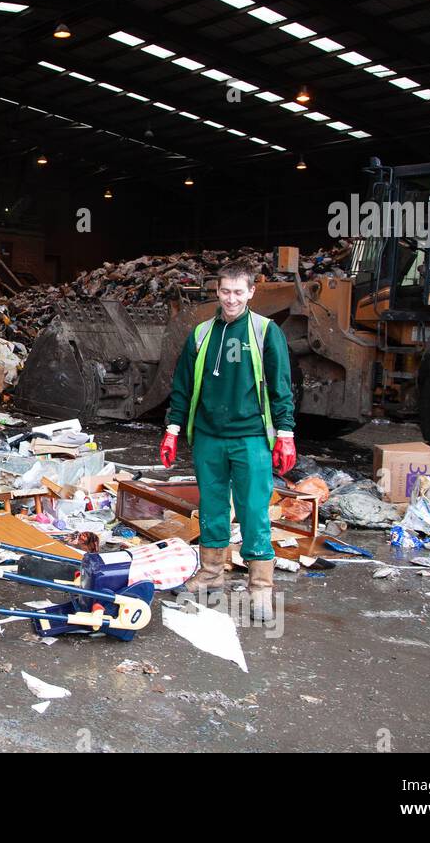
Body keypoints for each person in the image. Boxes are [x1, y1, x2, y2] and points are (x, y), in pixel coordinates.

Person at [159, 262, 297, 621]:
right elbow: (183, 387)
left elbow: (281, 386)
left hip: (251, 437)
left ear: (251, 292)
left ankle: (261, 588)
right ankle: (210, 575)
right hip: (208, 437)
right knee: (213, 508)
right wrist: (173, 430)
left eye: (239, 292)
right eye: (225, 291)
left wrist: (285, 434)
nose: (231, 299)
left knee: (253, 510)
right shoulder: (202, 334)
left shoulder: (266, 332)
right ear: (216, 292)